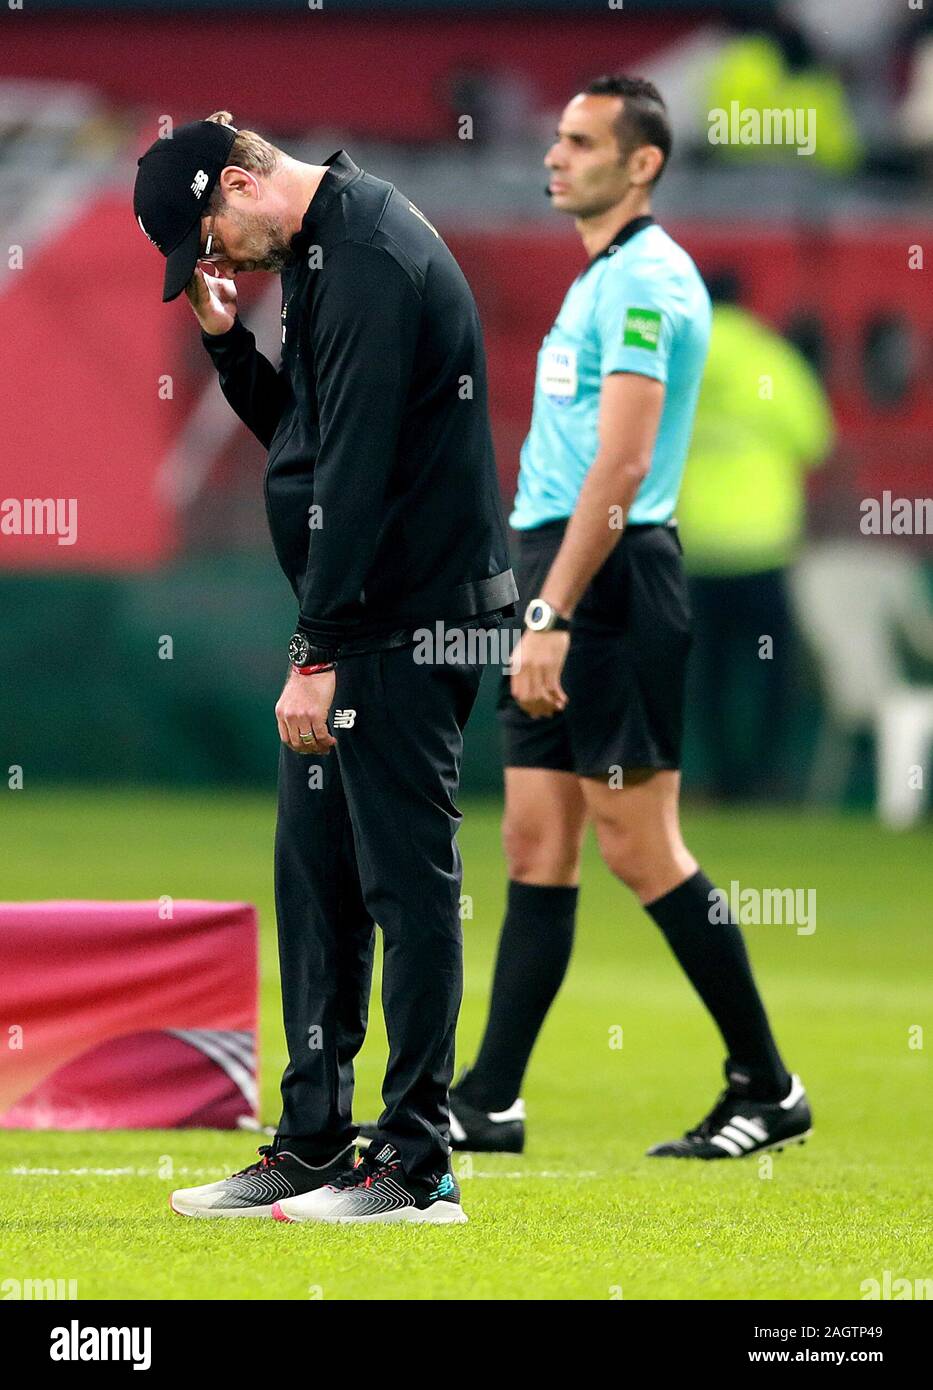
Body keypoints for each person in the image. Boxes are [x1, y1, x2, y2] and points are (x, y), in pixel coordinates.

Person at [408, 76, 812, 1160]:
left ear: (643, 164)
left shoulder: (649, 284)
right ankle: (489, 1098)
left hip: (611, 588)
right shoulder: (601, 279)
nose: (556, 154)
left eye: (582, 141)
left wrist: (549, 613)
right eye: (557, 136)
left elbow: (624, 466)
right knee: (537, 838)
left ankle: (766, 1084)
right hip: (563, 573)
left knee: (641, 845)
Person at [132, 112, 517, 1223]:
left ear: (242, 179)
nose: (211, 263)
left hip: (406, 620)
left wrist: (318, 652)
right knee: (317, 884)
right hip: (365, 619)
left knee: (406, 883)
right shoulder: (320, 251)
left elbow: (350, 478)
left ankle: (417, 1160)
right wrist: (225, 348)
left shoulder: (363, 259)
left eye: (205, 235)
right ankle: (311, 1142)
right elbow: (307, 442)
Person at [679, 272, 833, 800]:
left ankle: (718, 780)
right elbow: (816, 440)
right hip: (762, 543)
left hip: (696, 545)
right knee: (770, 670)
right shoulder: (771, 359)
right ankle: (767, 777)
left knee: (710, 673)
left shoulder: (676, 359)